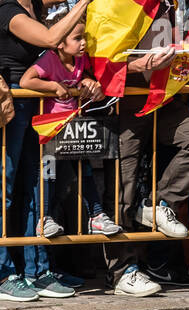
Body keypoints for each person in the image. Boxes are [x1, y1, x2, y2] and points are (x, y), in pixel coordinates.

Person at [90, 0, 189, 296]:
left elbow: (169, 45)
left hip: (162, 99)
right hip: (124, 105)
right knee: (125, 189)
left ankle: (161, 202)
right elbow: (99, 58)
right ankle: (123, 271)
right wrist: (138, 65)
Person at [0, 0, 106, 301]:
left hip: (36, 106)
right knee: (7, 185)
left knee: (35, 186)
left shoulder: (35, 3)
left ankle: (36, 268)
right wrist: (86, 0)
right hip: (13, 105)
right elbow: (50, 37)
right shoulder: (9, 11)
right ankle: (3, 272)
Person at [20, 23, 120, 242]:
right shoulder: (49, 58)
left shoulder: (81, 59)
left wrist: (87, 80)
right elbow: (26, 80)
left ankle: (96, 215)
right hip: (49, 130)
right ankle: (43, 220)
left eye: (84, 37)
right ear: (60, 43)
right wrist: (54, 86)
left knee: (85, 171)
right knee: (48, 174)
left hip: (73, 128)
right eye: (77, 38)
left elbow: (86, 77)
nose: (83, 42)